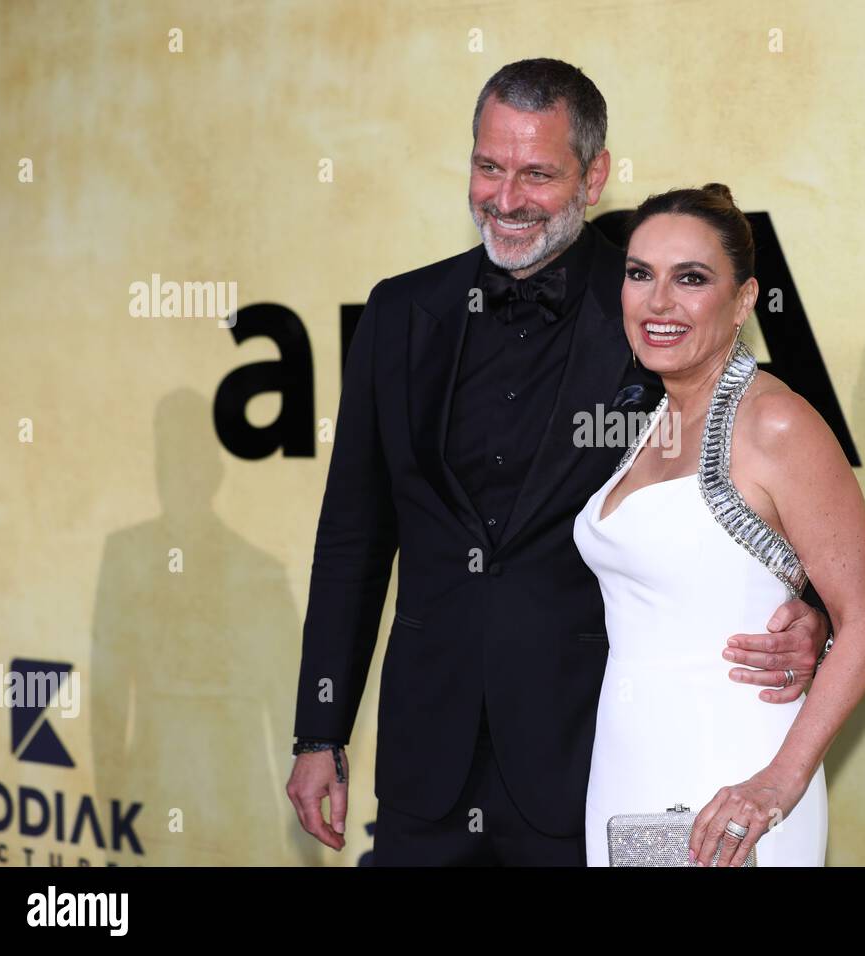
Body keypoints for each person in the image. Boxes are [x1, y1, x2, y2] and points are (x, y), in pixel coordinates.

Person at [285, 58, 833, 866]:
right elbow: (352, 539)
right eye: (488, 167)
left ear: (594, 176)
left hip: (588, 752)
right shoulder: (400, 312)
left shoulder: (652, 309)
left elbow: (765, 468)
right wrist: (319, 731)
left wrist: (810, 613)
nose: (505, 199)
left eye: (537, 174)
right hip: (423, 755)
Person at [574, 184, 865, 866]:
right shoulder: (652, 419)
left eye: (691, 279)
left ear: (744, 299)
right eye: (640, 274)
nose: (659, 302)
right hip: (626, 771)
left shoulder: (776, 423)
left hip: (734, 778)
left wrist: (777, 785)